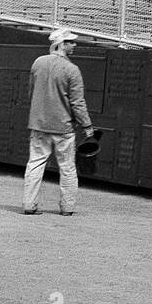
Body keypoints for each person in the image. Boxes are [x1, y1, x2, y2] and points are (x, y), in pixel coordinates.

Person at [23, 27, 95, 216]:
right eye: (71, 42)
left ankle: (29, 205)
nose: (74, 44)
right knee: (68, 169)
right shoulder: (72, 69)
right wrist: (87, 126)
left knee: (35, 165)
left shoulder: (38, 63)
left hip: (39, 124)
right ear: (61, 44)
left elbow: (31, 93)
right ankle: (67, 208)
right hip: (63, 128)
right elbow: (77, 102)